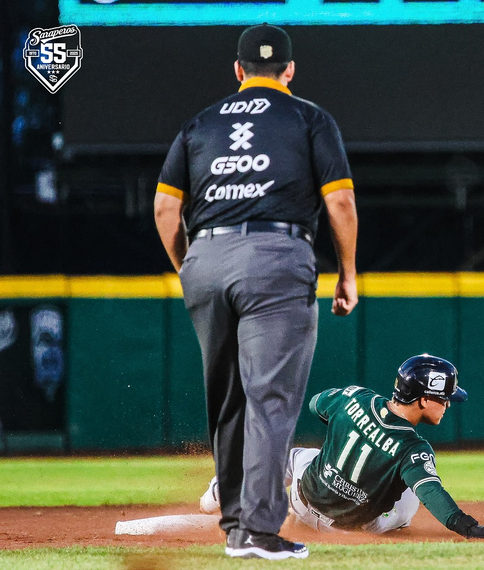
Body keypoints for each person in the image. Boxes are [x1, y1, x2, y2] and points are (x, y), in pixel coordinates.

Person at [153, 24, 358, 560]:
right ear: (289, 71)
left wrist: (190, 268)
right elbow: (339, 203)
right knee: (270, 399)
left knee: (228, 402)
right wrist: (348, 273)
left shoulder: (200, 124)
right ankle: (257, 532)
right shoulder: (309, 118)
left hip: (206, 258)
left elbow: (165, 209)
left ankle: (235, 524)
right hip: (276, 258)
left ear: (238, 71)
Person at [199, 354, 484, 542]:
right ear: (423, 399)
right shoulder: (413, 448)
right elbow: (433, 494)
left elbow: (315, 404)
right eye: (445, 397)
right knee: (411, 497)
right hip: (348, 530)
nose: (449, 404)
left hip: (303, 494)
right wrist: (470, 528)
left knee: (287, 454)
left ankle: (220, 492)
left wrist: (349, 424)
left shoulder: (355, 397)